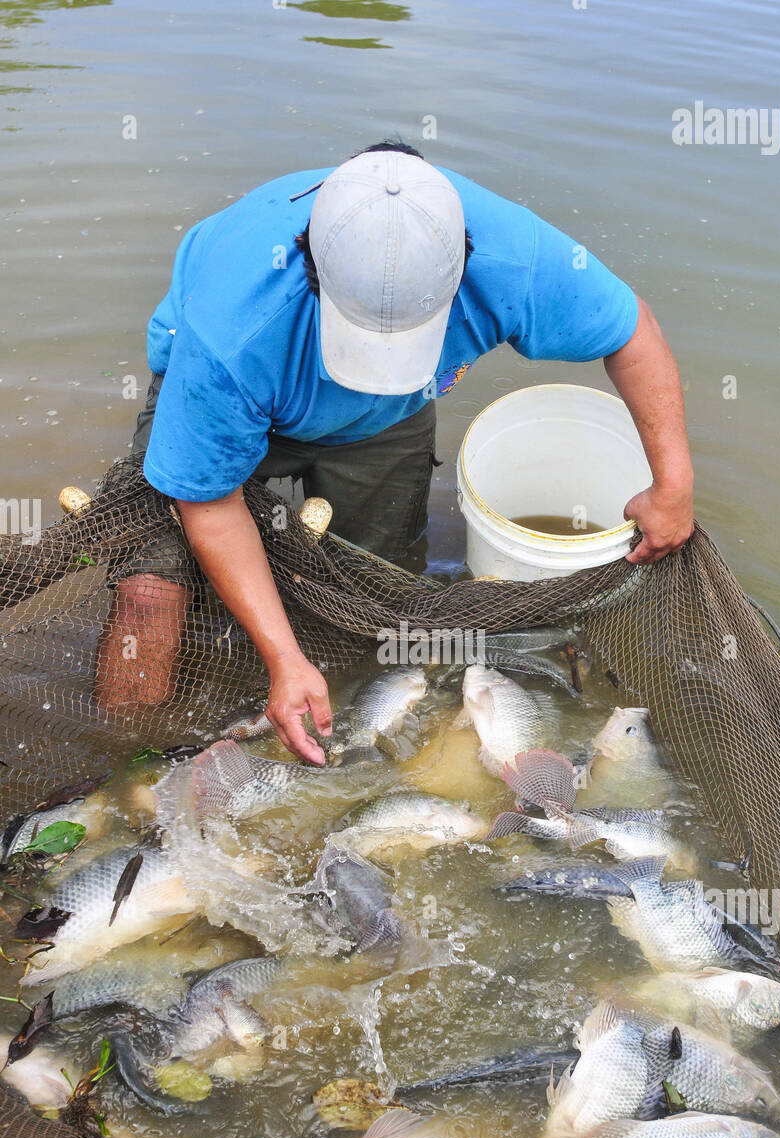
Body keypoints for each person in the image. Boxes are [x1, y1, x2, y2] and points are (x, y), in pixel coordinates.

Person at [94, 140, 694, 762]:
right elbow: (211, 506)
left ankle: (342, 720)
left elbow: (632, 333)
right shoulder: (234, 330)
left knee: (377, 603)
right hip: (237, 396)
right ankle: (123, 776)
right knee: (149, 593)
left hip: (388, 423)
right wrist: (282, 659)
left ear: (464, 271)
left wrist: (671, 485)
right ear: (310, 272)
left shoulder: (517, 258)